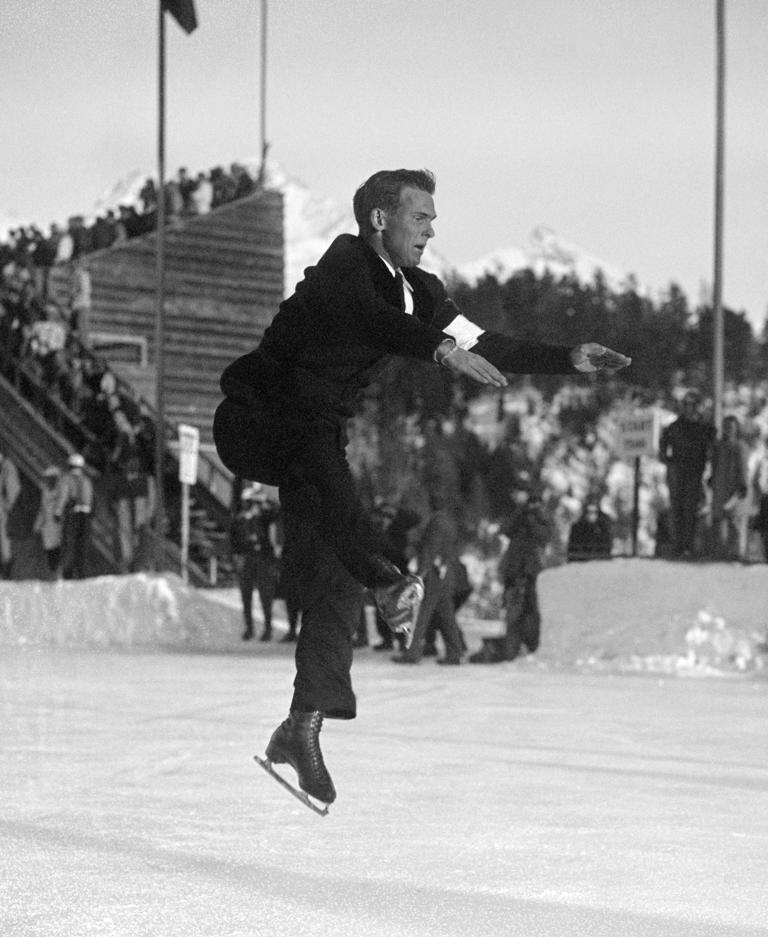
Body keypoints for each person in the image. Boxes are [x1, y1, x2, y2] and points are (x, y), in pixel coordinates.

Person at [213, 167, 630, 806]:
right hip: (258, 417)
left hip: (316, 435)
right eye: (420, 217)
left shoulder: (423, 292)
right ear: (380, 218)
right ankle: (388, 581)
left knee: (331, 571)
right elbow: (369, 319)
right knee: (326, 477)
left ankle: (301, 725)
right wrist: (437, 351)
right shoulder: (344, 269)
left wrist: (566, 357)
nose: (431, 230)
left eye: (433, 219)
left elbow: (482, 340)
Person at [470, 475, 551, 664]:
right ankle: (514, 643)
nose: (515, 496)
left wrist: (531, 516)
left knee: (525, 610)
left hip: (528, 569)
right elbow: (506, 530)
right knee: (513, 609)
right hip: (515, 568)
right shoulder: (520, 512)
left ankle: (524, 644)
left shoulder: (538, 513)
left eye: (518, 493)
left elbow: (544, 536)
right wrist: (521, 513)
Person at [392, 490, 464, 665]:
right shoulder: (448, 521)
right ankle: (455, 652)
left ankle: (412, 653)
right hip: (446, 574)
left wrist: (421, 572)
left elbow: (431, 548)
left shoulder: (436, 523)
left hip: (434, 574)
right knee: (446, 616)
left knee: (420, 614)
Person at [659, 391, 714, 558]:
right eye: (687, 405)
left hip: (695, 472)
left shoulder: (704, 428)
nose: (690, 408)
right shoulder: (674, 426)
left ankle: (688, 546)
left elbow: (711, 447)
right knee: (676, 508)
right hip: (677, 471)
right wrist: (668, 461)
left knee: (691, 509)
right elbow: (663, 446)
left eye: (693, 405)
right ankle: (677, 546)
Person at [230, 482, 281, 642]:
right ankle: (249, 628)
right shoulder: (240, 519)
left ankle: (267, 628)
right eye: (249, 502)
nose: (251, 505)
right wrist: (236, 556)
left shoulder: (264, 516)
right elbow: (234, 539)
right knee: (246, 595)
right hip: (247, 558)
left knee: (266, 595)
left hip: (263, 558)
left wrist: (264, 500)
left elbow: (277, 512)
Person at [709, 415, 750, 560]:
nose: (728, 430)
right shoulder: (718, 446)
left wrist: (741, 491)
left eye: (731, 427)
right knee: (720, 524)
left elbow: (743, 471)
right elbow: (714, 468)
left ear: (736, 428)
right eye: (725, 427)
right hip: (720, 490)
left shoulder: (740, 446)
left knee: (736, 525)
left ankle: (738, 556)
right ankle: (721, 556)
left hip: (736, 492)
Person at [57, 453, 93, 580]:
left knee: (69, 543)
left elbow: (63, 496)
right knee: (83, 545)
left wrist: (58, 511)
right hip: (86, 516)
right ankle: (83, 573)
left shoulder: (66, 479)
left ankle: (68, 573)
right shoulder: (87, 480)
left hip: (72, 514)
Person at [33, 466, 64, 579]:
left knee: (60, 551)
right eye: (47, 479)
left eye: (51, 478)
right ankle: (54, 575)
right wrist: (37, 525)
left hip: (59, 527)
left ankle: (60, 576)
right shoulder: (45, 492)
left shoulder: (61, 490)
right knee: (51, 553)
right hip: (48, 528)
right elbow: (42, 509)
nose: (49, 481)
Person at [0, 450, 21, 579]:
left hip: (1, 511)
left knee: (4, 543)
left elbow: (13, 491)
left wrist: (6, 506)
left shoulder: (6, 466)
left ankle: (5, 575)